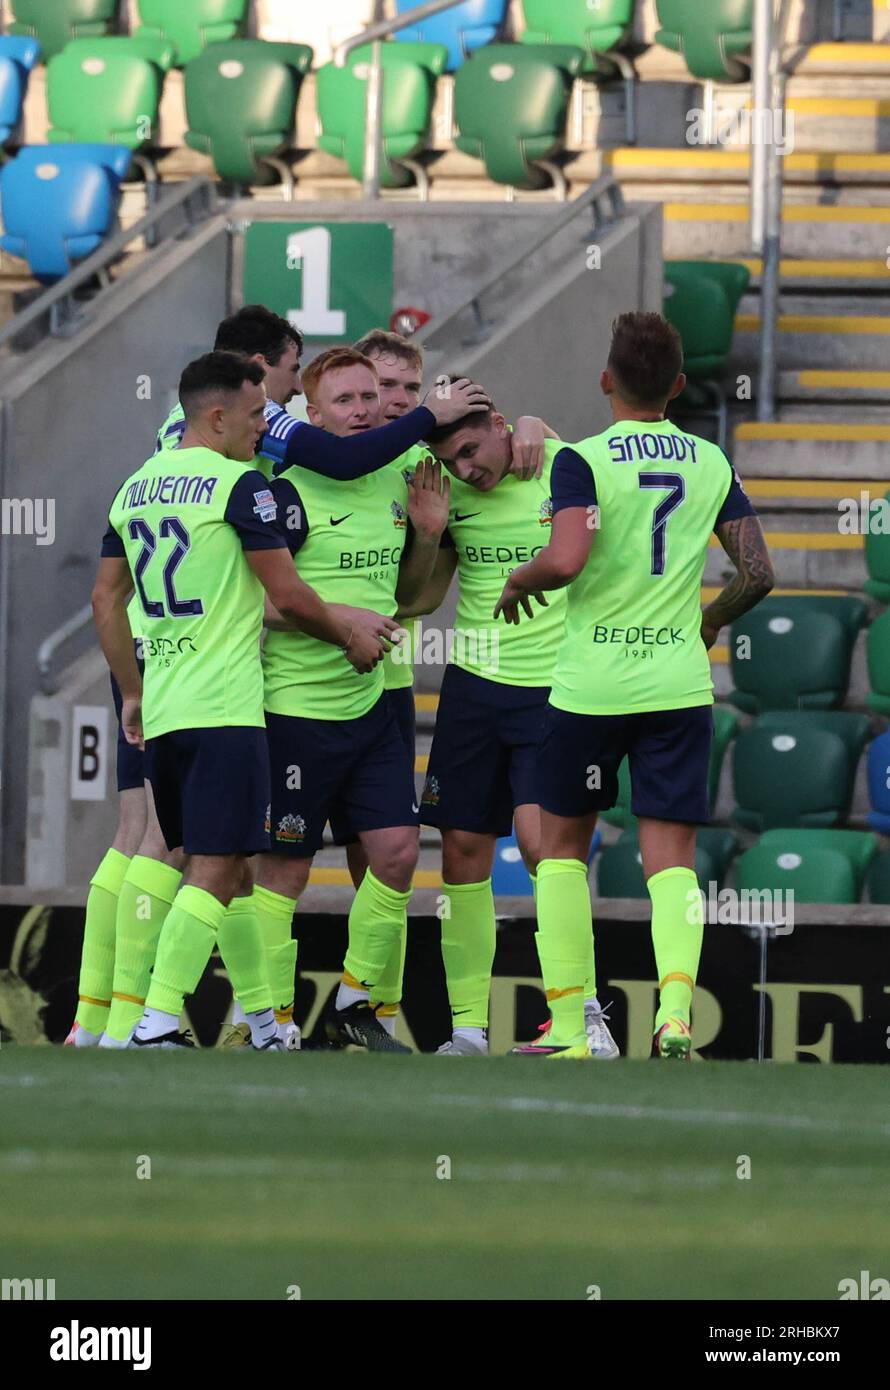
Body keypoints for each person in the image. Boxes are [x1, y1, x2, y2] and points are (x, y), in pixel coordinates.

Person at [93, 351, 399, 1048]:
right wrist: (346, 632)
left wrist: (132, 692)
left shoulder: (134, 487)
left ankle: (263, 1020)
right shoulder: (240, 488)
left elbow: (105, 600)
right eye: (259, 413)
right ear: (218, 416)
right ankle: (155, 1019)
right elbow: (286, 595)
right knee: (216, 866)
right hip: (227, 706)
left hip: (167, 703)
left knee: (221, 868)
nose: (268, 426)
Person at [494, 312, 774, 1060]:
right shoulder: (711, 461)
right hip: (678, 688)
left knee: (559, 850)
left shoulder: (581, 460)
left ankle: (571, 1027)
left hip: (592, 689)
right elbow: (759, 573)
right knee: (671, 858)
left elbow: (565, 559)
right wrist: (709, 621)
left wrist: (520, 579)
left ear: (605, 380)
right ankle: (675, 1019)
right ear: (680, 385)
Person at [256, 347, 468, 1052]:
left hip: (374, 703)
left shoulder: (399, 480)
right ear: (310, 415)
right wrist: (338, 621)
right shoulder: (285, 490)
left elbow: (408, 602)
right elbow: (258, 604)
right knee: (284, 872)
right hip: (297, 707)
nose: (361, 411)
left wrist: (430, 534)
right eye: (343, 401)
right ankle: (273, 1020)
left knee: (400, 853)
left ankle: (355, 999)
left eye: (369, 398)